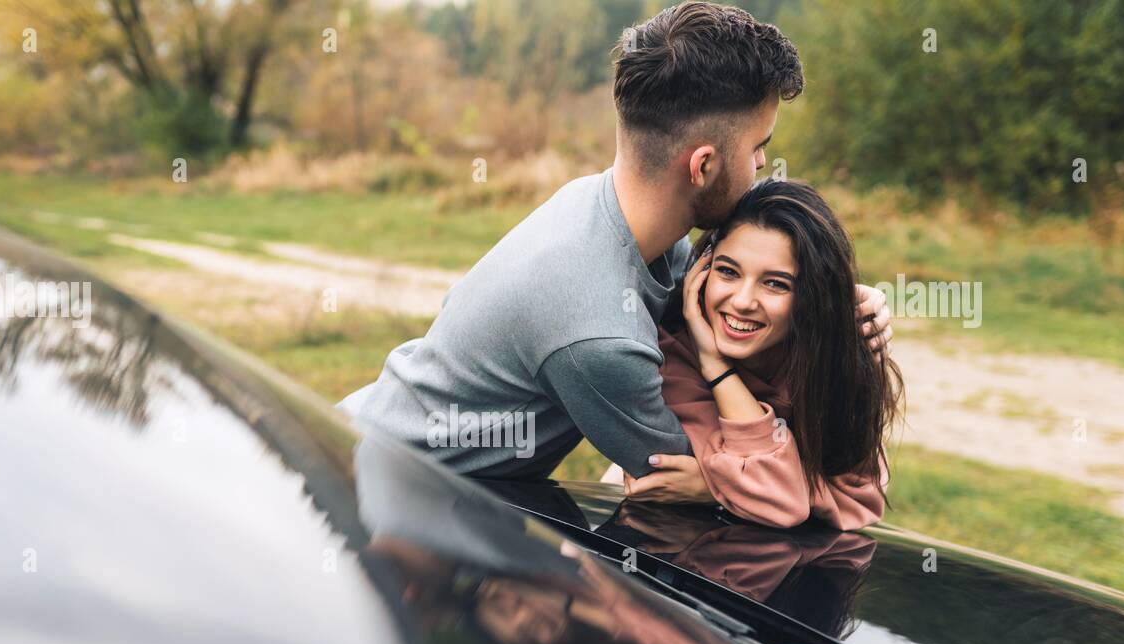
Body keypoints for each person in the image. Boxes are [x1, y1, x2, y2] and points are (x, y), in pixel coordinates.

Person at [338, 2, 893, 495]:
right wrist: (714, 485)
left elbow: (720, 314)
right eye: (757, 149)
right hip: (380, 492)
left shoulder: (607, 208)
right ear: (702, 165)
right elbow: (722, 476)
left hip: (363, 435)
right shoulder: (599, 333)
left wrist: (832, 304)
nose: (762, 165)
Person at [609, 178, 903, 530]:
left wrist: (715, 488)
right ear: (702, 272)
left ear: (809, 295)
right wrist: (716, 368)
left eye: (775, 283)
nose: (743, 301)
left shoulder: (828, 355)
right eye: (728, 272)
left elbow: (860, 498)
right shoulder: (670, 361)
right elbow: (780, 500)